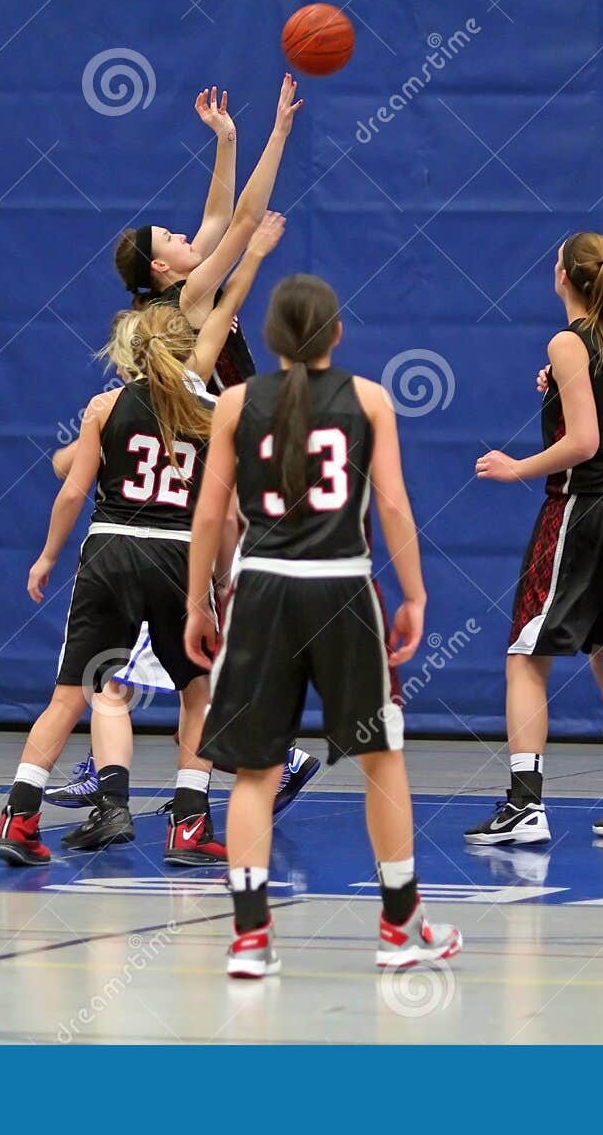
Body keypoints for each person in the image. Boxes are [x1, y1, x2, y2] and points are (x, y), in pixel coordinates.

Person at [46, 75, 321, 815]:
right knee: (181, 628)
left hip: (208, 458)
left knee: (172, 632)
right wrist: (278, 136)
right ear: (164, 269)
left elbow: (218, 214)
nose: (185, 233)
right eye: (171, 239)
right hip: (202, 465)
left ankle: (136, 767)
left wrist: (229, 141)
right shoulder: (189, 299)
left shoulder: (171, 299)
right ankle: (162, 769)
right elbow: (241, 220)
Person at [185, 273, 462, 978]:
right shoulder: (370, 398)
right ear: (337, 333)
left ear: (271, 338)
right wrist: (417, 595)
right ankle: (399, 926)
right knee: (381, 759)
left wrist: (196, 603)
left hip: (262, 594)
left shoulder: (236, 402)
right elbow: (393, 506)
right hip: (343, 589)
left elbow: (209, 515)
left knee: (254, 770)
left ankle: (250, 936)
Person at [0, 213, 285, 868]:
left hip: (109, 547)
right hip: (178, 552)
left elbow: (71, 491)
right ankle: (188, 824)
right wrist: (222, 582)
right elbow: (222, 512)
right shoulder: (208, 409)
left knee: (72, 694)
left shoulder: (104, 407)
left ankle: (19, 816)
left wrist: (45, 555)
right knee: (197, 692)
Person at [464, 233, 603, 848]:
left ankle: (525, 804)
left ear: (562, 275)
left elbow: (584, 442)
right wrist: (563, 388)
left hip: (585, 508)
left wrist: (517, 467)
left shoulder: (567, 341)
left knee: (526, 656)